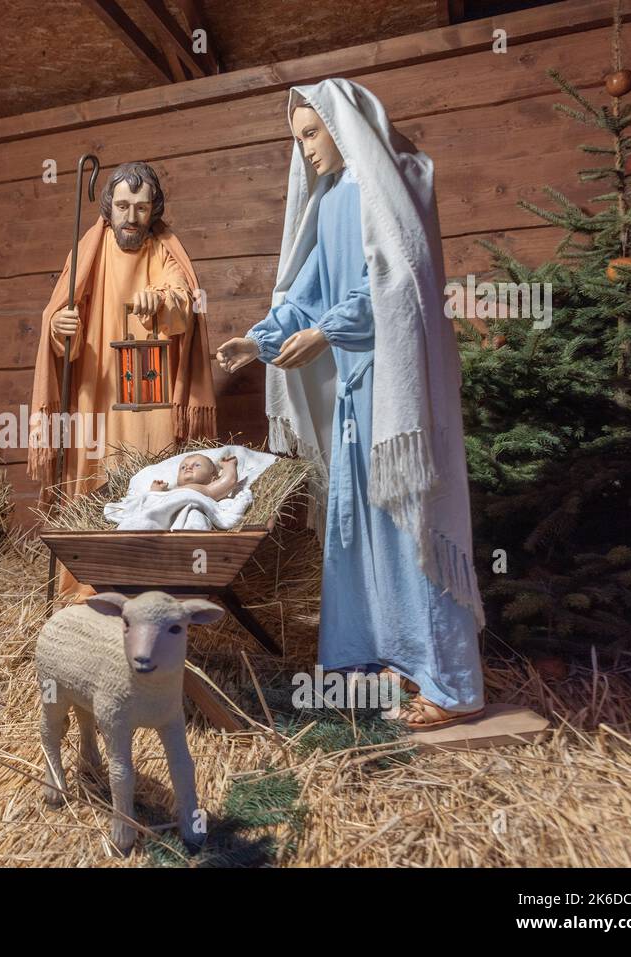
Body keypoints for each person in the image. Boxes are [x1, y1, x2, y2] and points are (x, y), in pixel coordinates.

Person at [216, 79, 486, 730]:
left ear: (345, 127)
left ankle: (451, 685)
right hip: (354, 401)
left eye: (312, 133)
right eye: (298, 138)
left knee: (409, 521)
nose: (305, 149)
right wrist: (260, 339)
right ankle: (390, 657)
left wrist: (328, 333)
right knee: (361, 530)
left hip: (396, 400)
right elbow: (304, 294)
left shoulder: (383, 189)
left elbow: (399, 283)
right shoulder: (330, 199)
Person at [28, 160, 218, 597]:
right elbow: (58, 314)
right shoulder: (88, 253)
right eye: (123, 205)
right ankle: (85, 591)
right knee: (93, 480)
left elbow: (184, 301)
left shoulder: (165, 251)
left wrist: (162, 299)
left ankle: (153, 589)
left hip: (150, 395)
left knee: (154, 482)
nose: (131, 216)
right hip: (97, 390)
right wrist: (58, 330)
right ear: (107, 208)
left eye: (141, 207)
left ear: (154, 210)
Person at [150, 453, 239, 502]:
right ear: (177, 480)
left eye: (197, 465)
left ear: (213, 479)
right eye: (183, 467)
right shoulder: (173, 491)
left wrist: (229, 465)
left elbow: (229, 481)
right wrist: (157, 490)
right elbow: (156, 501)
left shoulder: (207, 490)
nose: (188, 468)